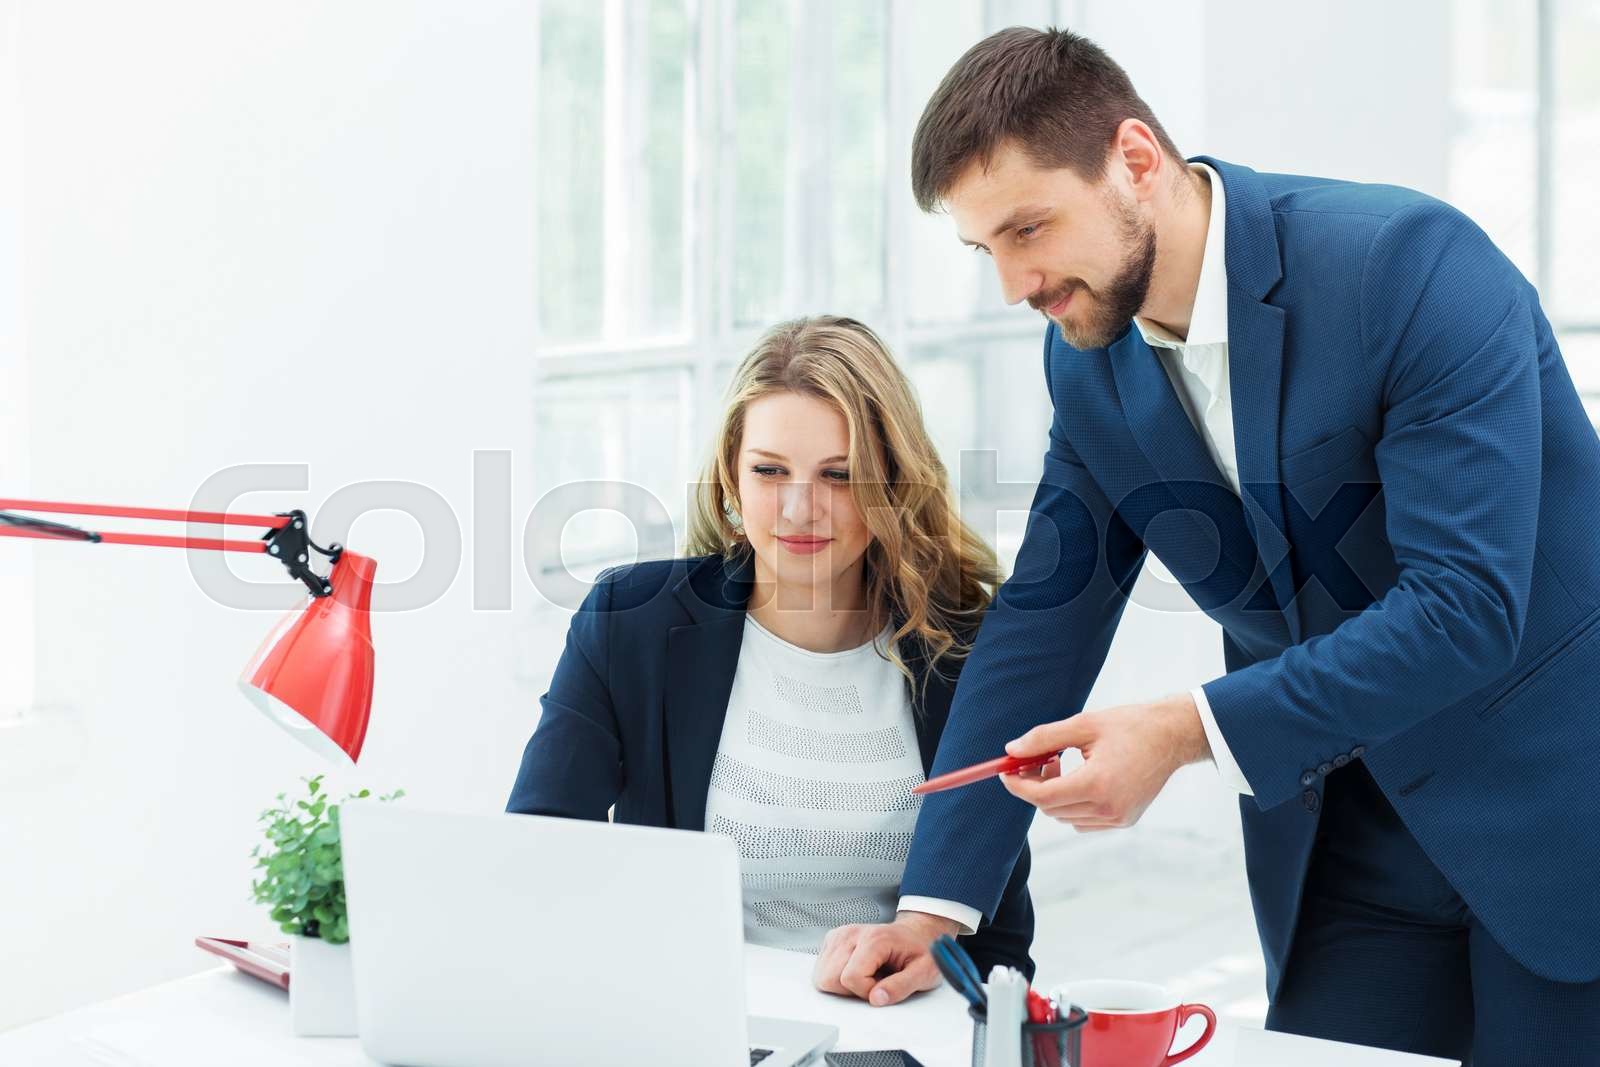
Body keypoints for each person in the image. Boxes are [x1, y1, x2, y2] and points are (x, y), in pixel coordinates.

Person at [812, 26, 1600, 1065]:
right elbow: (1043, 621)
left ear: (1135, 159)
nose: (1014, 284)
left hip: (1552, 814)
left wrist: (1185, 729)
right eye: (984, 249)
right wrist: (934, 910)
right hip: (1339, 845)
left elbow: (1466, 606)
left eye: (1029, 228)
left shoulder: (1408, 265)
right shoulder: (1090, 366)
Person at [506, 315, 1034, 981]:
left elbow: (1001, 945)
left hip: (895, 1038)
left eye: (839, 475)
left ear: (893, 482)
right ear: (730, 476)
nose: (798, 508)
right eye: (769, 470)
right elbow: (537, 859)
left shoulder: (967, 650)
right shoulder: (628, 623)